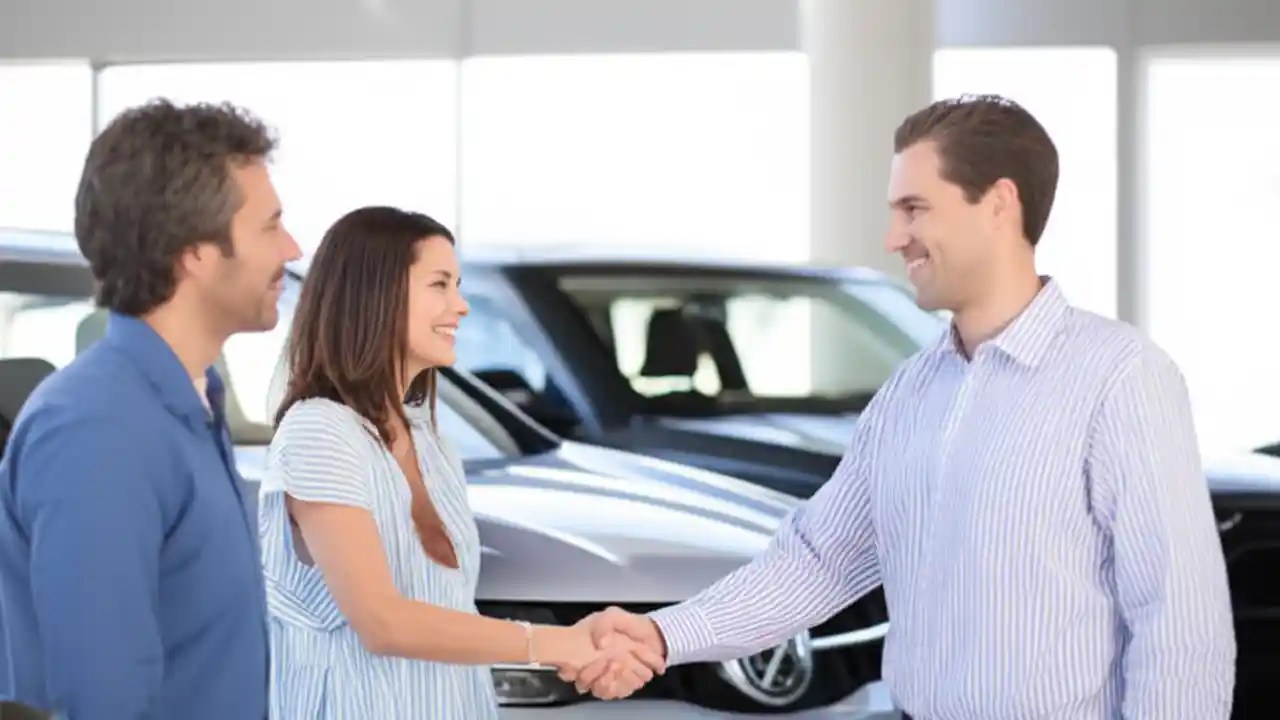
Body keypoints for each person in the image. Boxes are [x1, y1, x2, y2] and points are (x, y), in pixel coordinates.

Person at [567, 94, 1237, 718]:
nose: (894, 238)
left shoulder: (1120, 376)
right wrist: (661, 636)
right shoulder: (911, 391)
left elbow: (1180, 622)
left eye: (914, 209)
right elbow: (817, 562)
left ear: (999, 203)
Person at [261, 206, 663, 718]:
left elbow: (448, 613)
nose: (462, 306)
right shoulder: (320, 430)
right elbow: (384, 623)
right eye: (440, 285)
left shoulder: (428, 438)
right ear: (375, 294)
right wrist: (561, 644)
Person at [0, 99, 302, 718]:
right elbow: (100, 696)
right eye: (271, 227)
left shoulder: (187, 404)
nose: (292, 249)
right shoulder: (99, 428)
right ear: (194, 252)